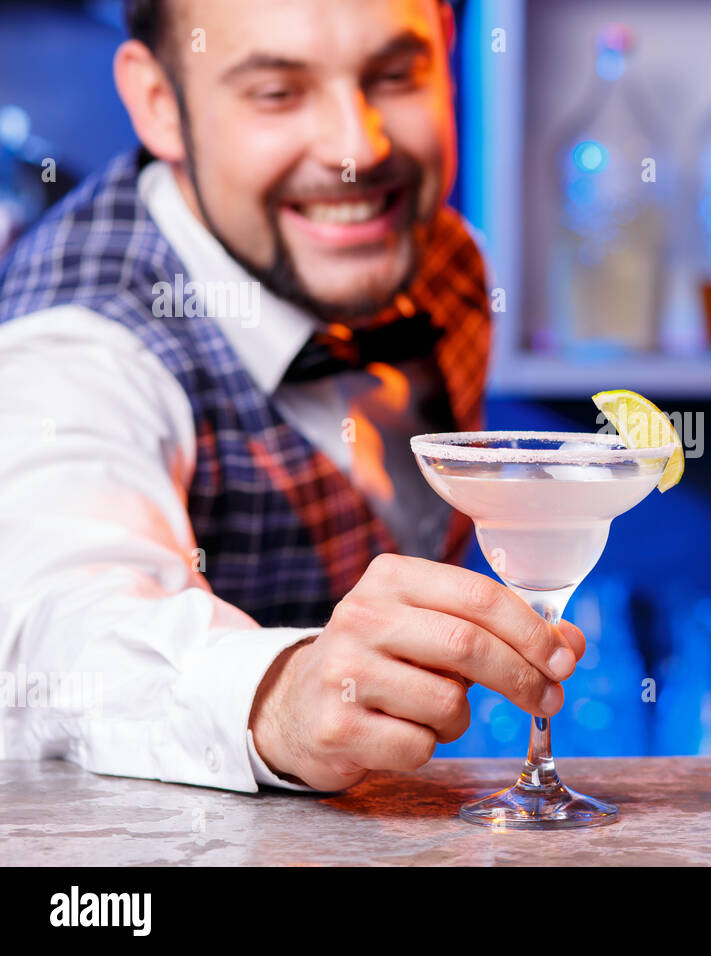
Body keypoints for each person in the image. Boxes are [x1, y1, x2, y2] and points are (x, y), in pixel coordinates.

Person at [0, 0, 584, 793]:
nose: (358, 148)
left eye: (394, 73)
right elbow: (57, 633)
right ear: (159, 104)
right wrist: (282, 698)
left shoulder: (445, 260)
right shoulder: (77, 343)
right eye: (277, 92)